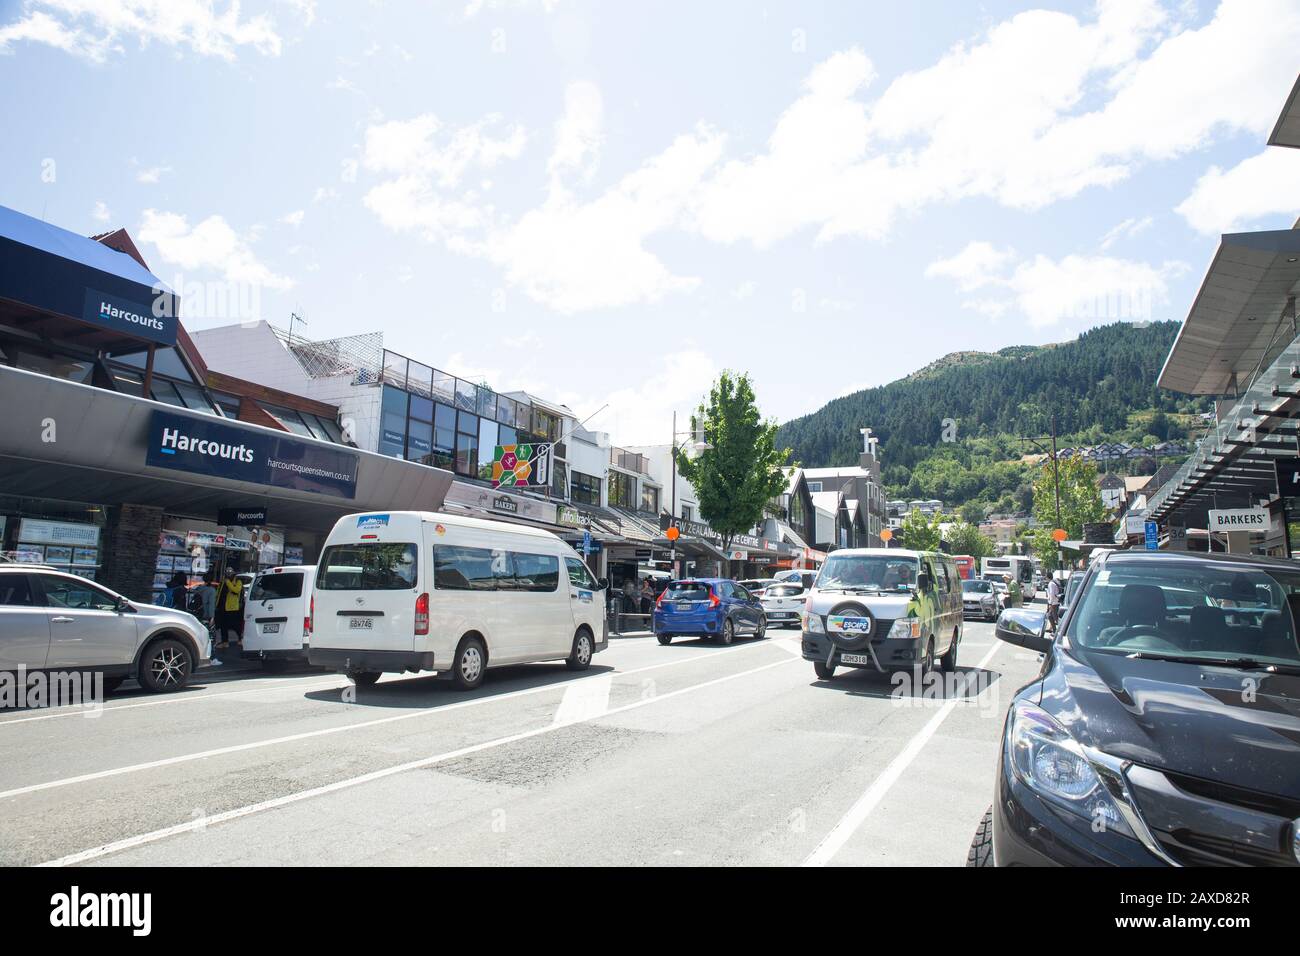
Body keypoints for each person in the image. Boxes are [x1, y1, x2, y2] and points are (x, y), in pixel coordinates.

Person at [215, 567, 245, 649]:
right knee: (223, 626)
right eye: (227, 574)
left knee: (235, 625)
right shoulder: (223, 582)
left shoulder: (237, 581)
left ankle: (240, 639)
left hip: (233, 608)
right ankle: (225, 642)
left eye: (230, 574)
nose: (228, 575)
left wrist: (228, 583)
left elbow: (236, 590)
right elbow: (219, 592)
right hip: (223, 607)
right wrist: (216, 603)